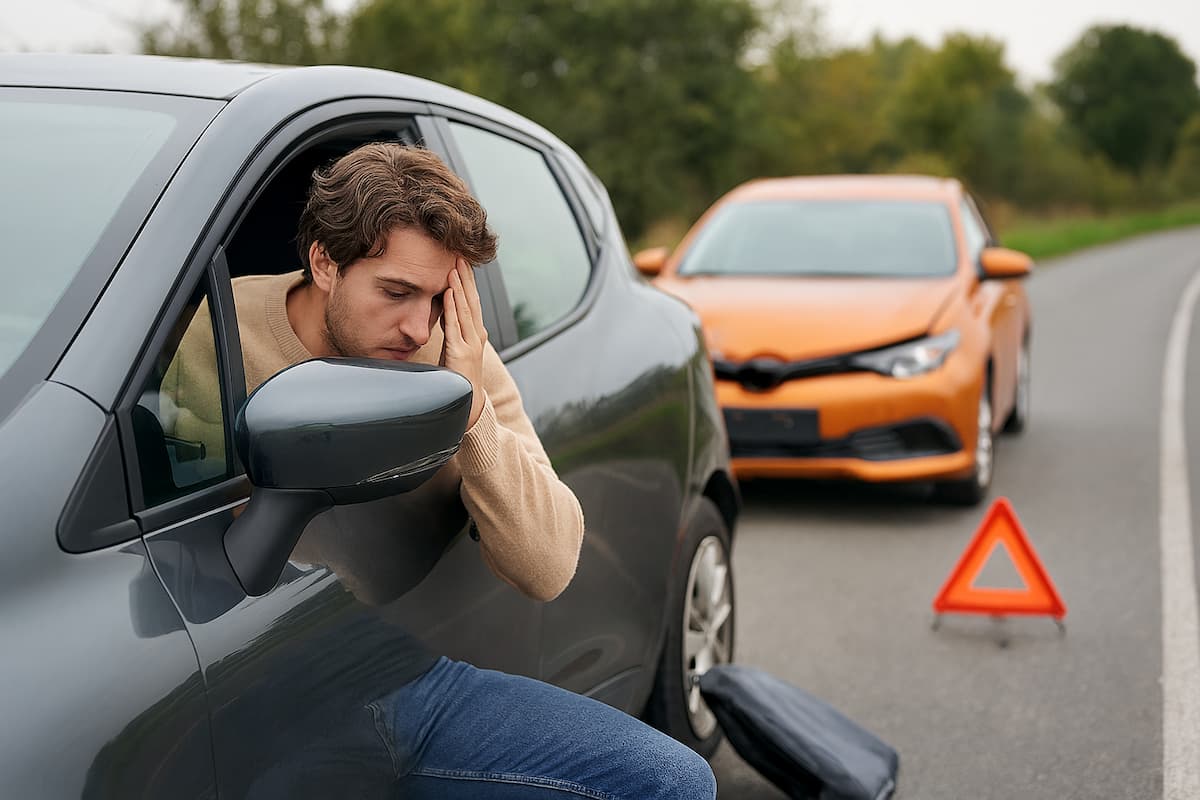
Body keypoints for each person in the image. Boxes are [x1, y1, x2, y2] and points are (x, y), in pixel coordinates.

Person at [165, 142, 717, 800]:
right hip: (261, 692)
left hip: (408, 677)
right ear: (324, 262)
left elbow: (548, 565)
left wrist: (469, 407)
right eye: (396, 292)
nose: (416, 326)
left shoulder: (454, 355)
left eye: (436, 298)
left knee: (677, 782)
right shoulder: (210, 333)